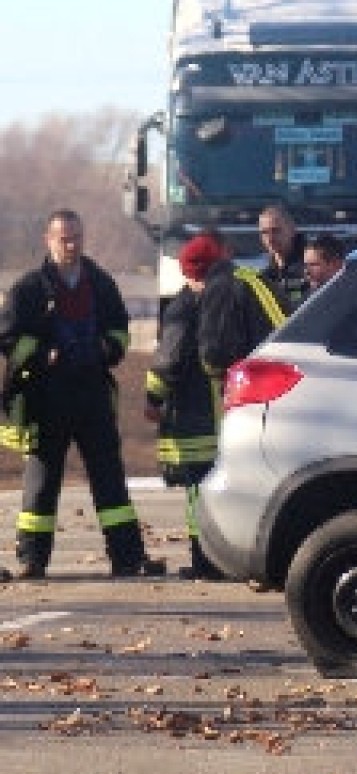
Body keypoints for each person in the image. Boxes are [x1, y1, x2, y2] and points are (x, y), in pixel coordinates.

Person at [0, 210, 165, 578]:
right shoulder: (29, 289)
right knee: (42, 482)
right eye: (64, 238)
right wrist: (44, 354)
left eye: (76, 238)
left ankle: (127, 557)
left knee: (109, 478)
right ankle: (32, 559)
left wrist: (107, 349)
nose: (71, 245)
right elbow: (9, 339)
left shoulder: (101, 284)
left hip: (92, 394)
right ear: (48, 239)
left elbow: (120, 331)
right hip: (47, 397)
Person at [143, 232, 231, 579]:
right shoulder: (225, 301)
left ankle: (203, 562)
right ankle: (220, 559)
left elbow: (168, 361)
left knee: (197, 493)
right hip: (220, 415)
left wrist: (153, 398)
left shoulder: (181, 308)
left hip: (192, 417)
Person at [196, 226, 289, 380]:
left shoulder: (222, 286)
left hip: (259, 376)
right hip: (278, 366)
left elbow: (217, 355)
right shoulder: (251, 278)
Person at [257, 205, 309, 310]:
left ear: (292, 230)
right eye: (264, 232)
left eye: (276, 231)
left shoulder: (311, 268)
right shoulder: (265, 276)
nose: (270, 238)